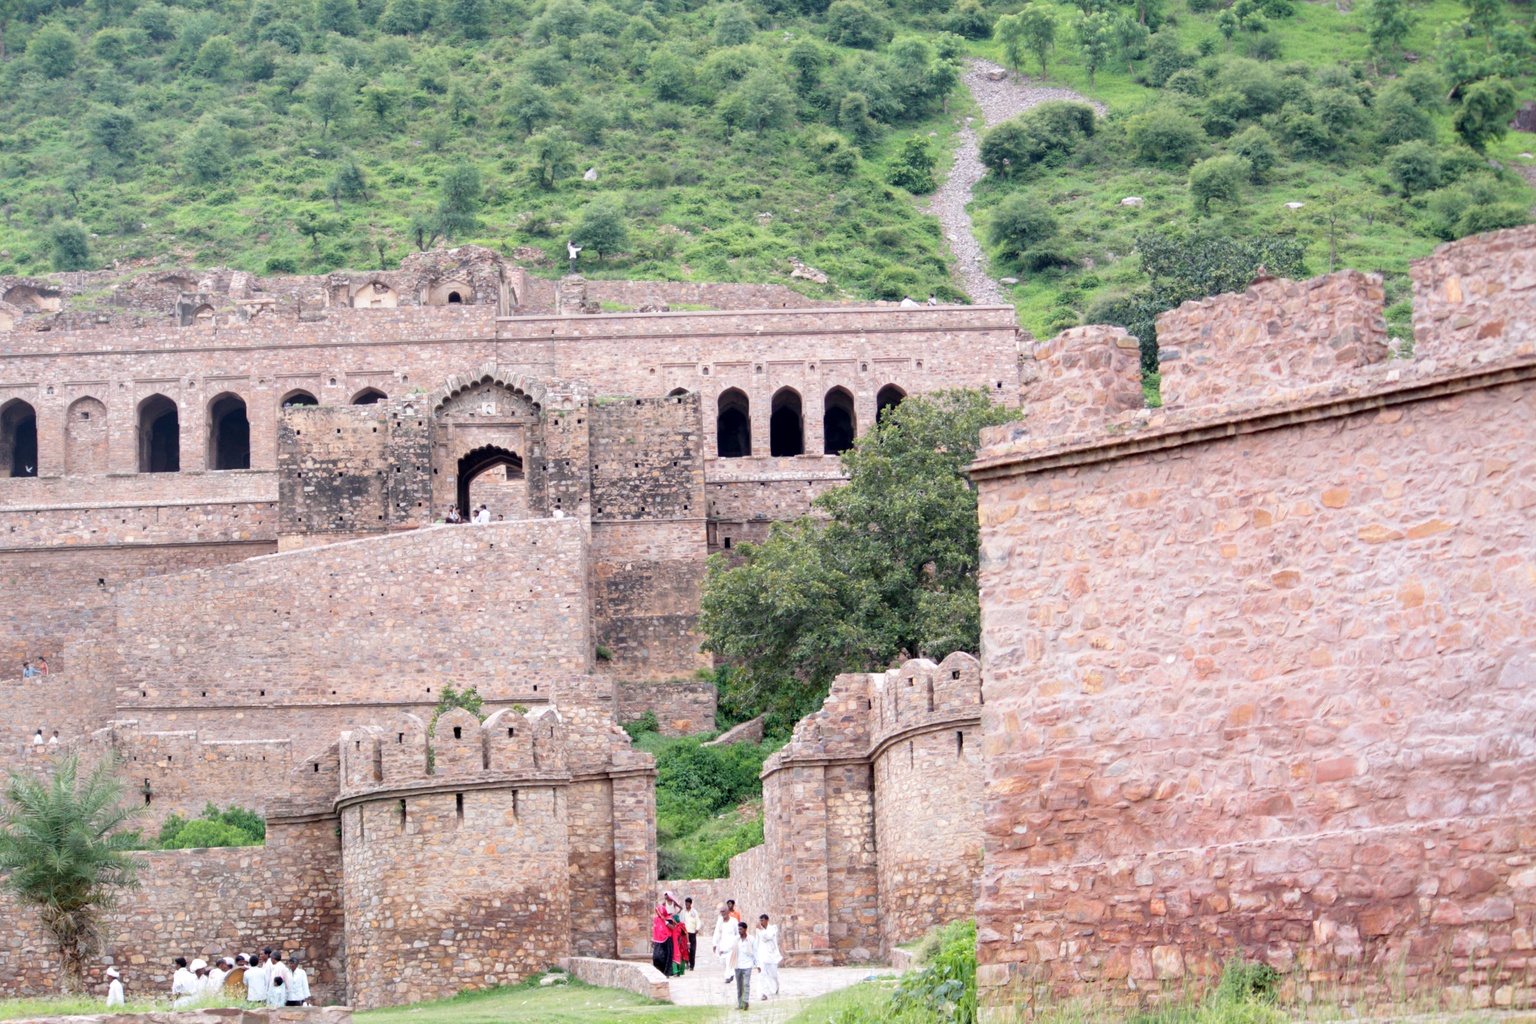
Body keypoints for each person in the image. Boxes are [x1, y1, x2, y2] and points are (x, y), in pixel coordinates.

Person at [651, 892, 681, 976]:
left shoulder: (673, 905)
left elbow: (672, 927)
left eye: (667, 896)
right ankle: (659, 972)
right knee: (657, 957)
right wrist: (653, 939)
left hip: (667, 939)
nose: (666, 898)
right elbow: (655, 929)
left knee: (666, 957)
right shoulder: (657, 918)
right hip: (658, 941)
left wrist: (666, 920)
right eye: (665, 896)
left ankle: (667, 973)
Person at [753, 914, 781, 1000]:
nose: (761, 922)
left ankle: (775, 987)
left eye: (763, 921)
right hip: (762, 955)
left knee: (773, 975)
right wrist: (756, 956)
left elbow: (768, 937)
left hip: (771, 955)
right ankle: (763, 993)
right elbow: (757, 942)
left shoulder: (773, 928)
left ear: (767, 920)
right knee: (762, 974)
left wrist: (761, 929)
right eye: (760, 921)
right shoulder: (759, 930)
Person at [731, 920, 756, 1010]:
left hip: (748, 965)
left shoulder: (751, 939)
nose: (739, 931)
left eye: (741, 929)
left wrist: (758, 964)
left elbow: (755, 952)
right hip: (738, 965)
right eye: (739, 929)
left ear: (745, 929)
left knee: (746, 984)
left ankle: (745, 1002)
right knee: (739, 986)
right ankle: (740, 1003)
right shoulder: (736, 939)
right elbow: (730, 948)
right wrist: (722, 950)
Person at [711, 904, 735, 984]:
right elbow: (717, 932)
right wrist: (714, 944)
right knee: (724, 962)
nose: (722, 913)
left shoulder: (734, 921)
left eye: (724, 911)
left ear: (728, 912)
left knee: (729, 961)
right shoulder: (720, 921)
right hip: (722, 945)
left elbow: (737, 933)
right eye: (721, 912)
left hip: (731, 946)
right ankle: (731, 974)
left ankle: (728, 976)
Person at [682, 897, 701, 970]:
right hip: (685, 932)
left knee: (692, 949)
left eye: (688, 903)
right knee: (685, 949)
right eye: (686, 903)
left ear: (690, 903)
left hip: (692, 932)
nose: (687, 904)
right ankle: (687, 963)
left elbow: (697, 920)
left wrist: (697, 928)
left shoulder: (694, 912)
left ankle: (692, 965)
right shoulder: (683, 912)